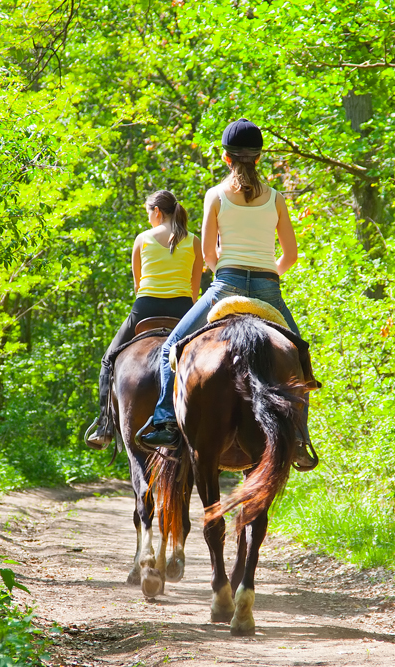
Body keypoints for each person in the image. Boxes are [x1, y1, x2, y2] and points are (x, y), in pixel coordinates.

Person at [138, 118, 317, 470]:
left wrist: (229, 270)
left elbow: (208, 255)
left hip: (226, 286)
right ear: (259, 157)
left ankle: (166, 422)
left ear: (226, 158)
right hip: (268, 289)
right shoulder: (276, 198)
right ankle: (298, 438)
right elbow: (291, 255)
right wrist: (269, 275)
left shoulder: (215, 196)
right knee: (299, 361)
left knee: (170, 350)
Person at [85, 190, 204, 449]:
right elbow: (194, 291)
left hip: (146, 307)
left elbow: (138, 286)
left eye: (148, 212)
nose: (148, 218)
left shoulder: (142, 239)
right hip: (183, 310)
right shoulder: (194, 241)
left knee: (108, 359)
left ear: (157, 212)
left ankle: (105, 425)